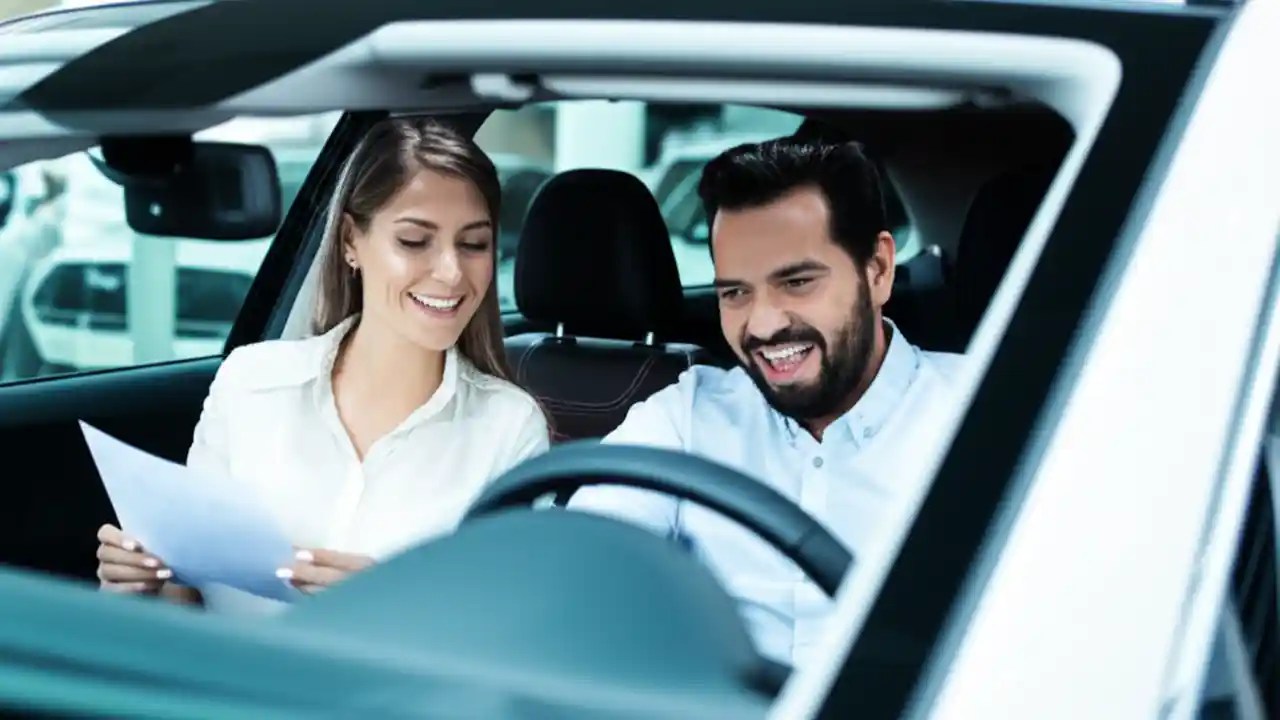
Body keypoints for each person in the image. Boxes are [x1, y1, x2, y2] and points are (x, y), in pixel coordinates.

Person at [93, 118, 550, 612]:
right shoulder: (250, 385)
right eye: (416, 241)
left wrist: (394, 607)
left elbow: (508, 631)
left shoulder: (508, 428)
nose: (451, 272)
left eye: (474, 244)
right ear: (352, 241)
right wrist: (143, 583)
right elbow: (187, 596)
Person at [569, 137, 967, 667]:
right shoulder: (686, 417)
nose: (763, 324)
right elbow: (578, 567)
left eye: (797, 281)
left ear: (878, 269)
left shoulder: (989, 414)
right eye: (735, 293)